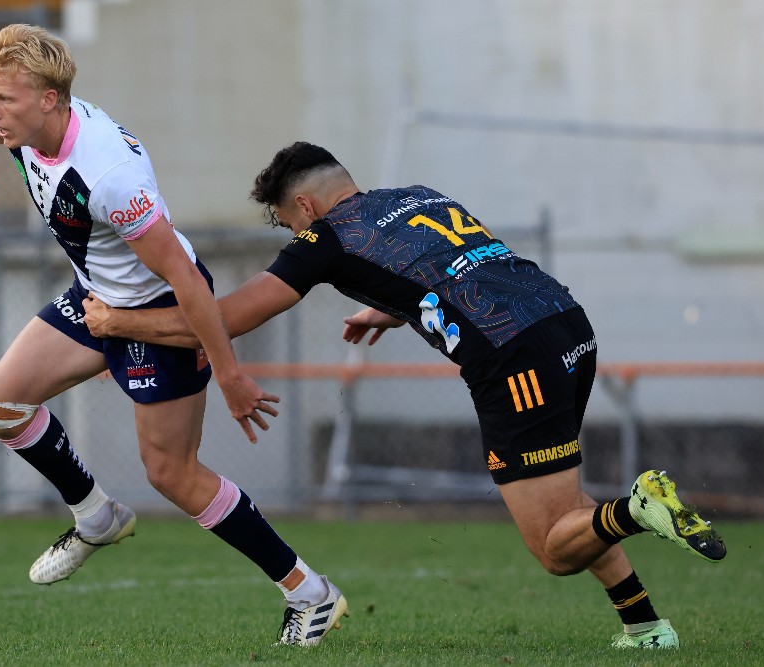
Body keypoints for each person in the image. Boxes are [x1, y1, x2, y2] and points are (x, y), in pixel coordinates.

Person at [81, 141, 728, 650]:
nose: (293, 236)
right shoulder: (415, 196)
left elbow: (232, 316)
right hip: (566, 326)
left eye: (285, 224)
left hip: (512, 361)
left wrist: (119, 323)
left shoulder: (324, 239)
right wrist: (390, 310)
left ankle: (640, 507)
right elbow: (455, 264)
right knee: (567, 505)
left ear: (303, 208)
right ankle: (646, 626)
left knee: (554, 545)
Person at [0, 27, 347, 646]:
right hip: (96, 298)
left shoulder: (109, 174)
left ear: (50, 101)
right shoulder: (27, 125)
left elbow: (187, 280)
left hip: (159, 308)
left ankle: (310, 592)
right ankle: (96, 515)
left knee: (173, 475)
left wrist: (230, 374)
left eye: (6, 100)